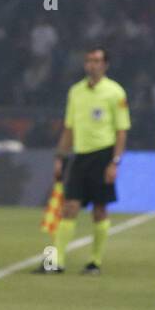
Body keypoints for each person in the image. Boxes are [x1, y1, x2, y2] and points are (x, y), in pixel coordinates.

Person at [39, 47, 130, 275]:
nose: (93, 65)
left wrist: (115, 162)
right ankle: (56, 262)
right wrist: (60, 157)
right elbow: (69, 128)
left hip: (103, 155)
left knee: (99, 210)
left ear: (105, 65)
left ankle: (95, 262)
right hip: (80, 156)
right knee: (69, 207)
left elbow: (121, 131)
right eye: (89, 61)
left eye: (97, 61)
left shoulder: (115, 92)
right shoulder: (76, 92)